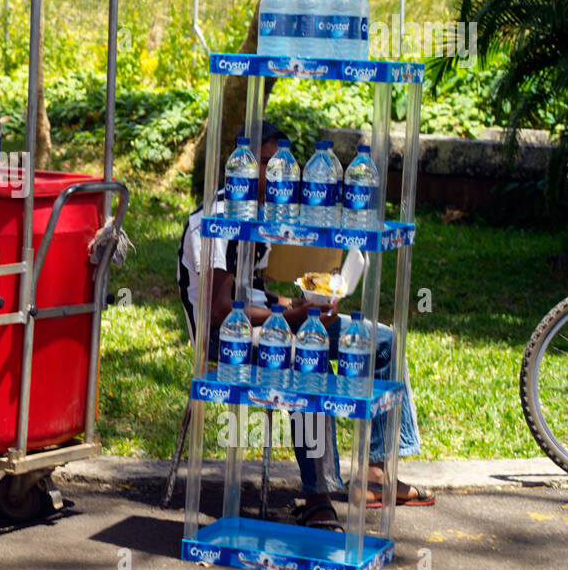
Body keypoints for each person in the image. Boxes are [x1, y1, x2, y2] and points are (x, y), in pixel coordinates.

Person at [176, 120, 433, 530]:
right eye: (262, 165)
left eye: (279, 167)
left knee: (382, 340)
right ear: (237, 168)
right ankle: (317, 497)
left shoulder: (259, 216)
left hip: (271, 322)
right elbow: (222, 311)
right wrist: (291, 318)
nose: (272, 176)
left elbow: (253, 290)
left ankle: (375, 473)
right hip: (228, 340)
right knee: (305, 360)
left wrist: (301, 306)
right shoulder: (213, 220)